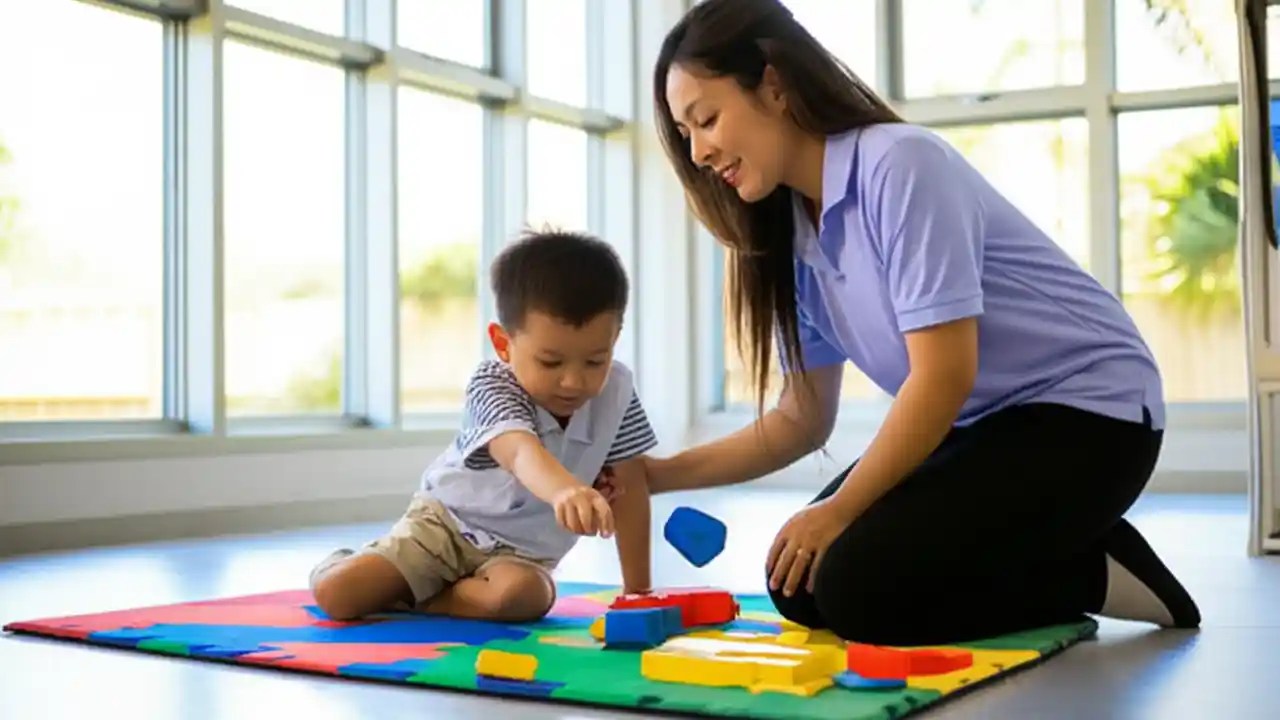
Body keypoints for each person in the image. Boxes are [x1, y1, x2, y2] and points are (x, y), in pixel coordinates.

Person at [644, 0, 1200, 646]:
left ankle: (1091, 571)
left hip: (1092, 419)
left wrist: (839, 511)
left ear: (773, 83)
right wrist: (657, 475)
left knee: (856, 586)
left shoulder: (899, 165)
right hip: (982, 432)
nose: (699, 151)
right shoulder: (791, 234)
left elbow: (943, 378)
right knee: (796, 580)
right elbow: (802, 418)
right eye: (685, 134)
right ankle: (1050, 535)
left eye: (705, 120)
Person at [310, 229, 657, 622]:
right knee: (338, 595)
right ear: (503, 343)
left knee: (527, 598)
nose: (574, 381)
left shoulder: (618, 390)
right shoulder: (492, 383)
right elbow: (520, 451)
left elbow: (632, 488)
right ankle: (365, 570)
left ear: (615, 339)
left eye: (595, 360)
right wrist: (564, 490)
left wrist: (638, 593)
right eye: (550, 362)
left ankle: (424, 597)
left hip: (520, 557)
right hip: (445, 525)